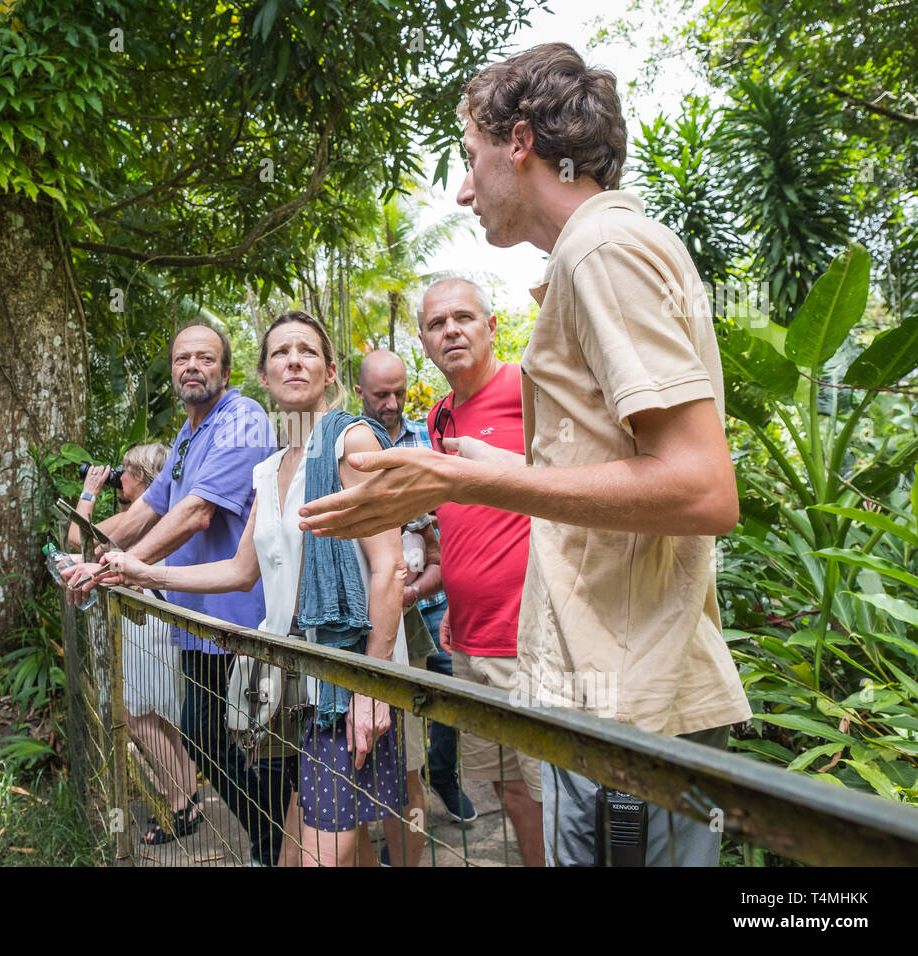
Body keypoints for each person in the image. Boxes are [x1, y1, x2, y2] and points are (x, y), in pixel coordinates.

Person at [297, 42, 752, 867]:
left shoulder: (601, 249)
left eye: (469, 160)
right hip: (598, 694)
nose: (465, 190)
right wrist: (497, 473)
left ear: (519, 141)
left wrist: (468, 477)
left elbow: (701, 487)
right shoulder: (584, 259)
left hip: (632, 703)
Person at [102, 312, 413, 867]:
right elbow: (241, 570)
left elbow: (389, 567)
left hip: (344, 679)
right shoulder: (269, 469)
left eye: (307, 351)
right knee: (332, 851)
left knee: (315, 857)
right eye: (280, 353)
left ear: (331, 372)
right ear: (264, 378)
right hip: (291, 685)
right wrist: (145, 573)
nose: (294, 360)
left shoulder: (352, 440)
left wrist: (369, 684)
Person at [59, 323, 289, 867]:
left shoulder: (241, 419)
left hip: (238, 621)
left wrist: (134, 566)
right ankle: (275, 841)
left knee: (249, 744)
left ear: (225, 371)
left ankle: (280, 843)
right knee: (213, 739)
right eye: (182, 358)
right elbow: (145, 512)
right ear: (172, 373)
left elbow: (196, 512)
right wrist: (91, 558)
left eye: (205, 358)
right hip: (195, 622)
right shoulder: (187, 435)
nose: (192, 366)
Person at [418, 278, 545, 865]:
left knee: (555, 789)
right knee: (504, 782)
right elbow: (454, 518)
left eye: (464, 317)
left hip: (532, 638)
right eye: (437, 324)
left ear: (491, 326)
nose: (451, 331)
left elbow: (578, 479)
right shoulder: (438, 416)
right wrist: (451, 604)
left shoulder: (529, 387)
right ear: (424, 340)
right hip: (467, 636)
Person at [355, 348, 477, 829]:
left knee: (447, 695)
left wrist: (429, 581)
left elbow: (444, 521)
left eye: (400, 392)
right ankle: (393, 812)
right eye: (381, 394)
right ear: (360, 391)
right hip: (384, 602)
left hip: (435, 598)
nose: (392, 402)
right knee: (392, 707)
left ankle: (442, 775)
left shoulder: (428, 438)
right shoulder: (353, 444)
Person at [73, 444, 203, 846]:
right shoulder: (170, 514)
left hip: (143, 624)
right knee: (162, 719)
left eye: (125, 472)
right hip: (158, 622)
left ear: (145, 479)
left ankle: (178, 806)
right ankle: (187, 799)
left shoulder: (139, 517)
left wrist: (90, 489)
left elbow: (76, 535)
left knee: (137, 717)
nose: (119, 478)